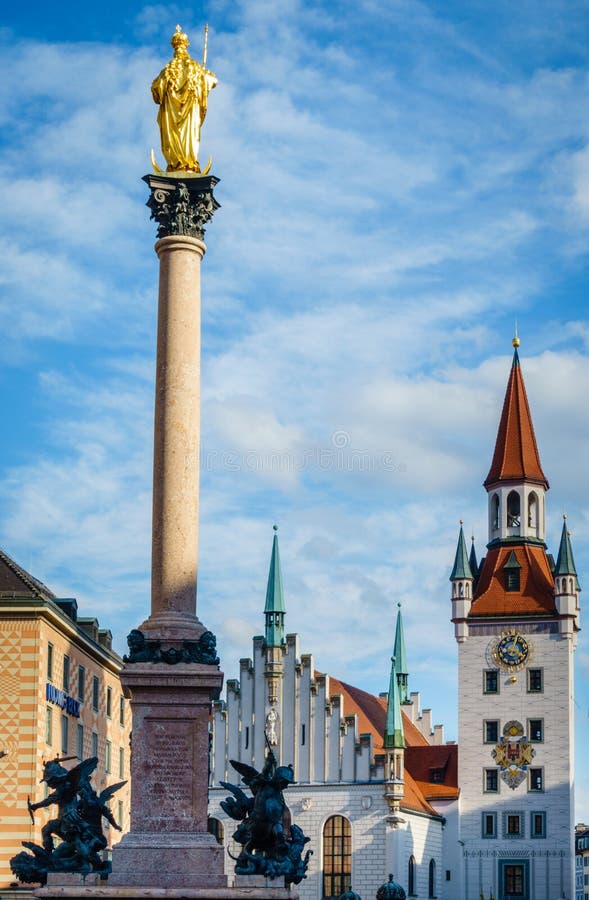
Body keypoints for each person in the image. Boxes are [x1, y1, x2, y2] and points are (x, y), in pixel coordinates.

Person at [151, 25, 217, 173]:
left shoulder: (167, 71)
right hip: (190, 112)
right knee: (189, 133)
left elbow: (156, 92)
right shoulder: (195, 68)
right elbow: (213, 81)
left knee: (174, 135)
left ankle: (175, 163)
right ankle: (189, 162)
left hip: (171, 114)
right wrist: (205, 77)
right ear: (186, 46)